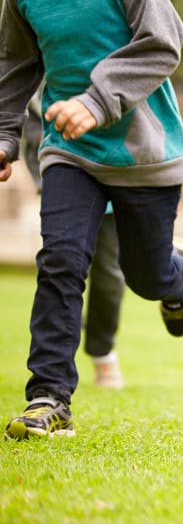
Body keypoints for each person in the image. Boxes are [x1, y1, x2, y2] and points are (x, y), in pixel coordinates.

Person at [0, 0, 183, 439]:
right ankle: (48, 397)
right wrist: (6, 134)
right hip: (70, 152)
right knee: (61, 261)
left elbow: (164, 40)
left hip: (143, 151)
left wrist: (97, 97)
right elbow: (15, 68)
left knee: (144, 275)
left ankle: (177, 279)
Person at [23, 94, 127, 390]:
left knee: (109, 275)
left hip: (115, 170)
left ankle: (102, 351)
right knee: (61, 264)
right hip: (63, 172)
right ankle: (51, 383)